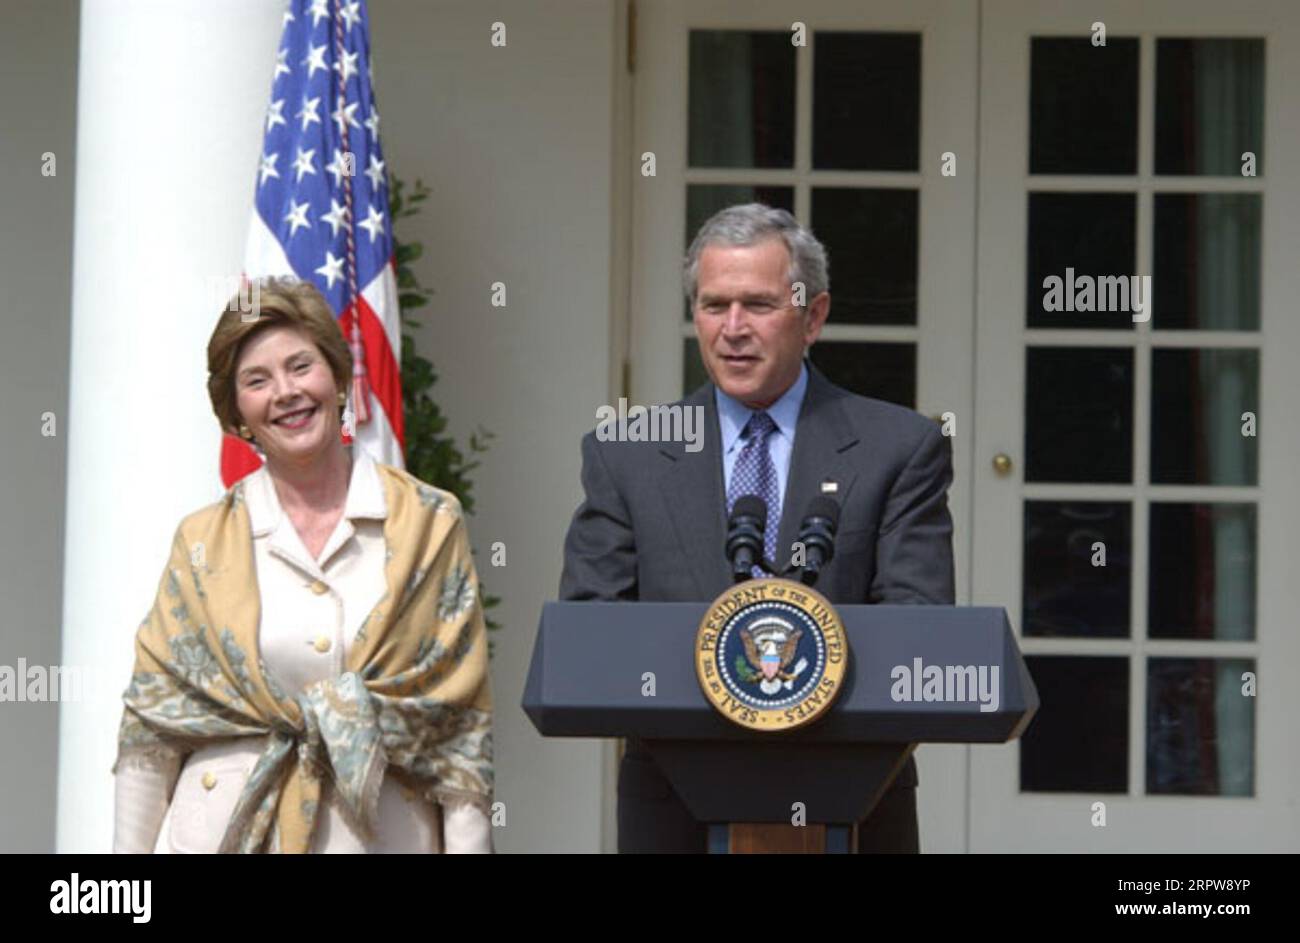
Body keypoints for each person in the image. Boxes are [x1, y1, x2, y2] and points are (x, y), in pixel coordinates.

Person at [559, 203, 955, 853]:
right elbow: (591, 632)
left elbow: (920, 629)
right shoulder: (625, 451)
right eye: (714, 305)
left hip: (850, 802)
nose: (733, 329)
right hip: (674, 810)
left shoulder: (899, 447)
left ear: (814, 315)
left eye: (759, 305)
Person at [112, 277, 493, 854]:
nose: (285, 392)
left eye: (300, 366)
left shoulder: (429, 523)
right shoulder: (202, 542)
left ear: (338, 377)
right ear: (237, 413)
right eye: (257, 381)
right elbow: (151, 732)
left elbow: (461, 735)